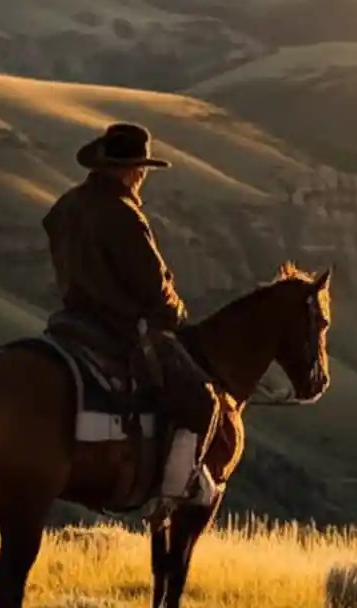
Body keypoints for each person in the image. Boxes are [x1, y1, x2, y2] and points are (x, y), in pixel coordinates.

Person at [41, 122, 220, 507]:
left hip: (71, 320)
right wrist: (175, 312)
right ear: (131, 170)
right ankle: (177, 489)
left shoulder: (66, 206)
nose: (141, 177)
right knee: (203, 400)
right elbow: (154, 285)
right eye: (141, 170)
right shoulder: (123, 213)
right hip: (119, 325)